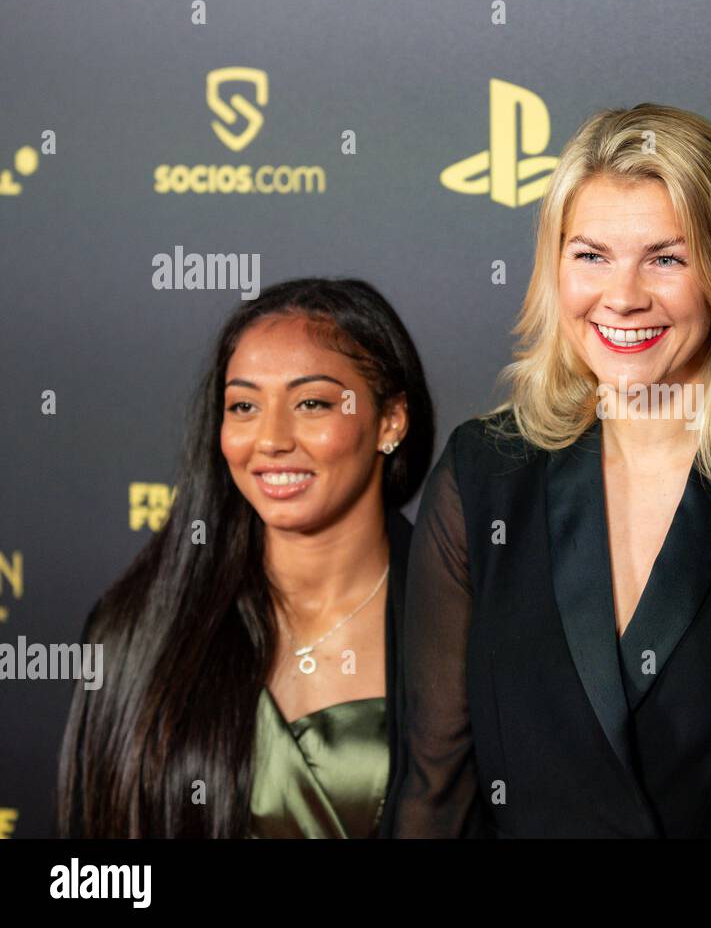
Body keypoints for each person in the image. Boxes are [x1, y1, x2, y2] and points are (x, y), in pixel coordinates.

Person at [388, 103, 711, 837]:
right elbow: (433, 785)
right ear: (555, 267)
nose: (623, 295)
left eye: (666, 258)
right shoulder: (485, 474)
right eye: (592, 255)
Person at [57, 278, 434, 838]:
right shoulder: (135, 633)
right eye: (244, 406)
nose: (271, 439)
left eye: (311, 402)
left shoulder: (466, 627)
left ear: (390, 421)